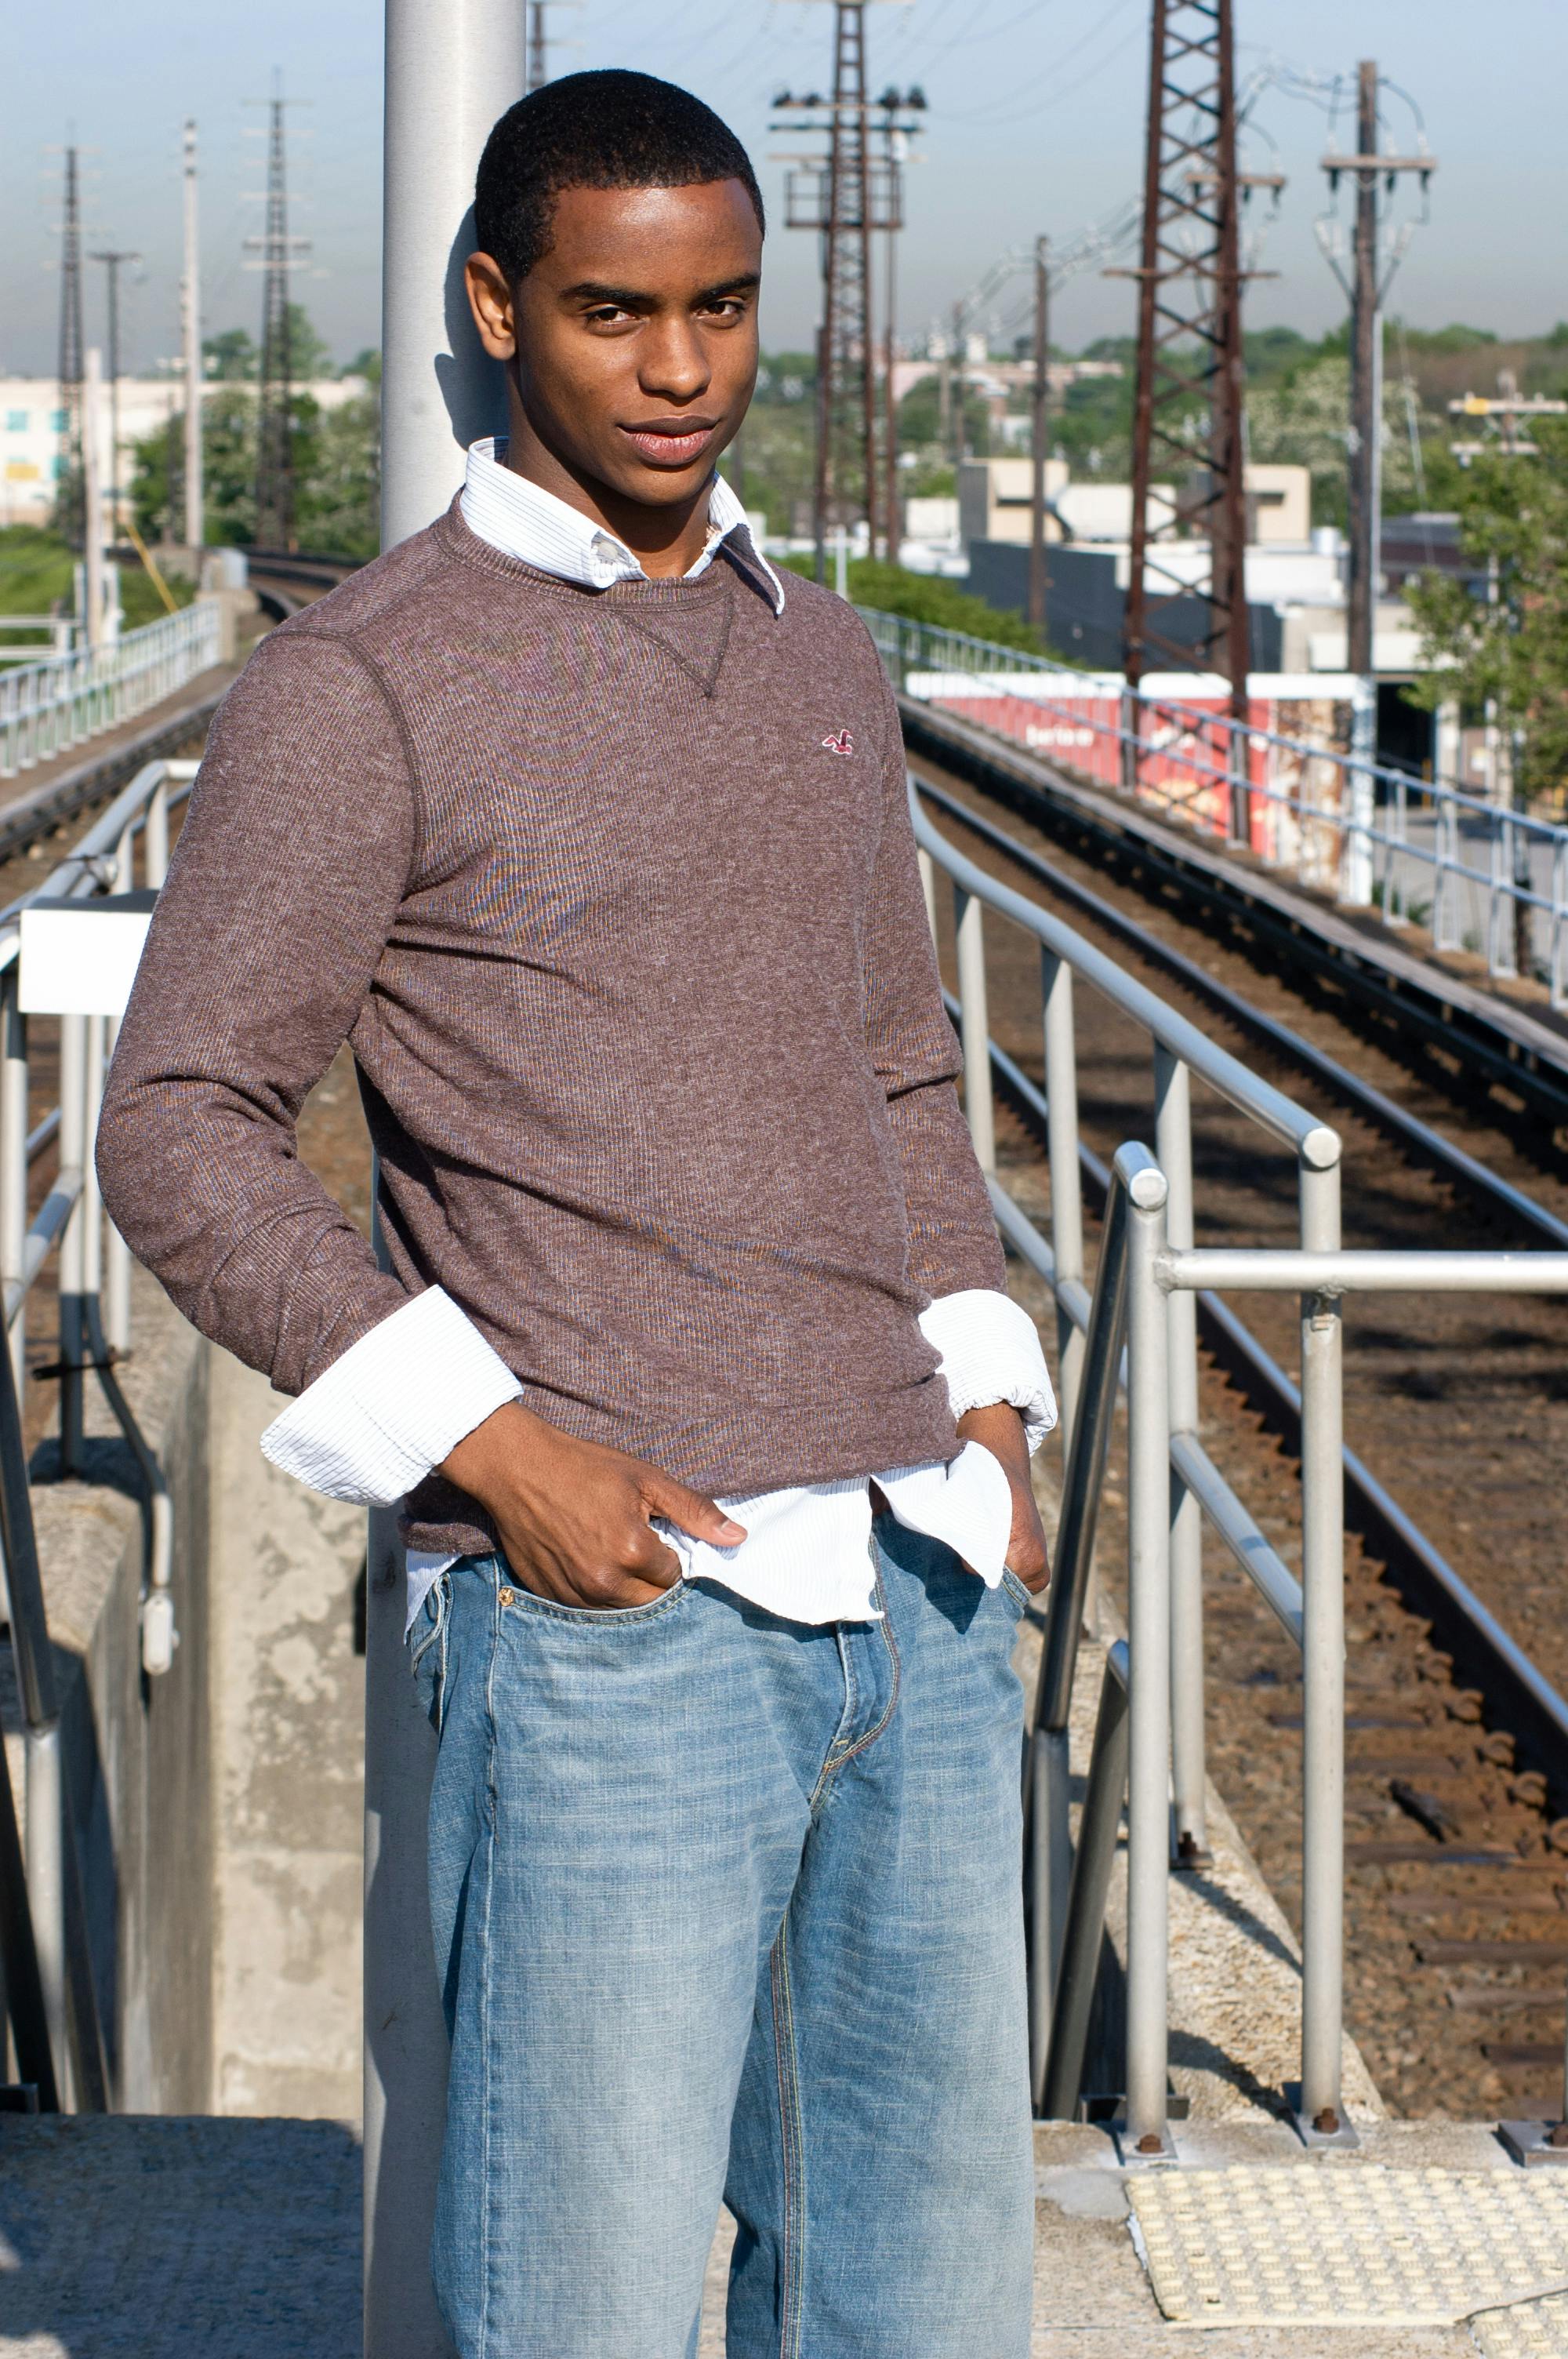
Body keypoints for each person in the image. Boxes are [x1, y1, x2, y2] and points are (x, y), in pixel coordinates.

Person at [97, 70, 1054, 2359]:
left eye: (725, 307)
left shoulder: (825, 659)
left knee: (925, 2313)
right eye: (619, 313)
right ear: (498, 306)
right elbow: (179, 1125)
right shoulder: (363, 689)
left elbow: (901, 1061)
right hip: (611, 1633)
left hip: (913, 1596)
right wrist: (499, 1458)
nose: (682, 367)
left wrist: (995, 1417)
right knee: (585, 2315)